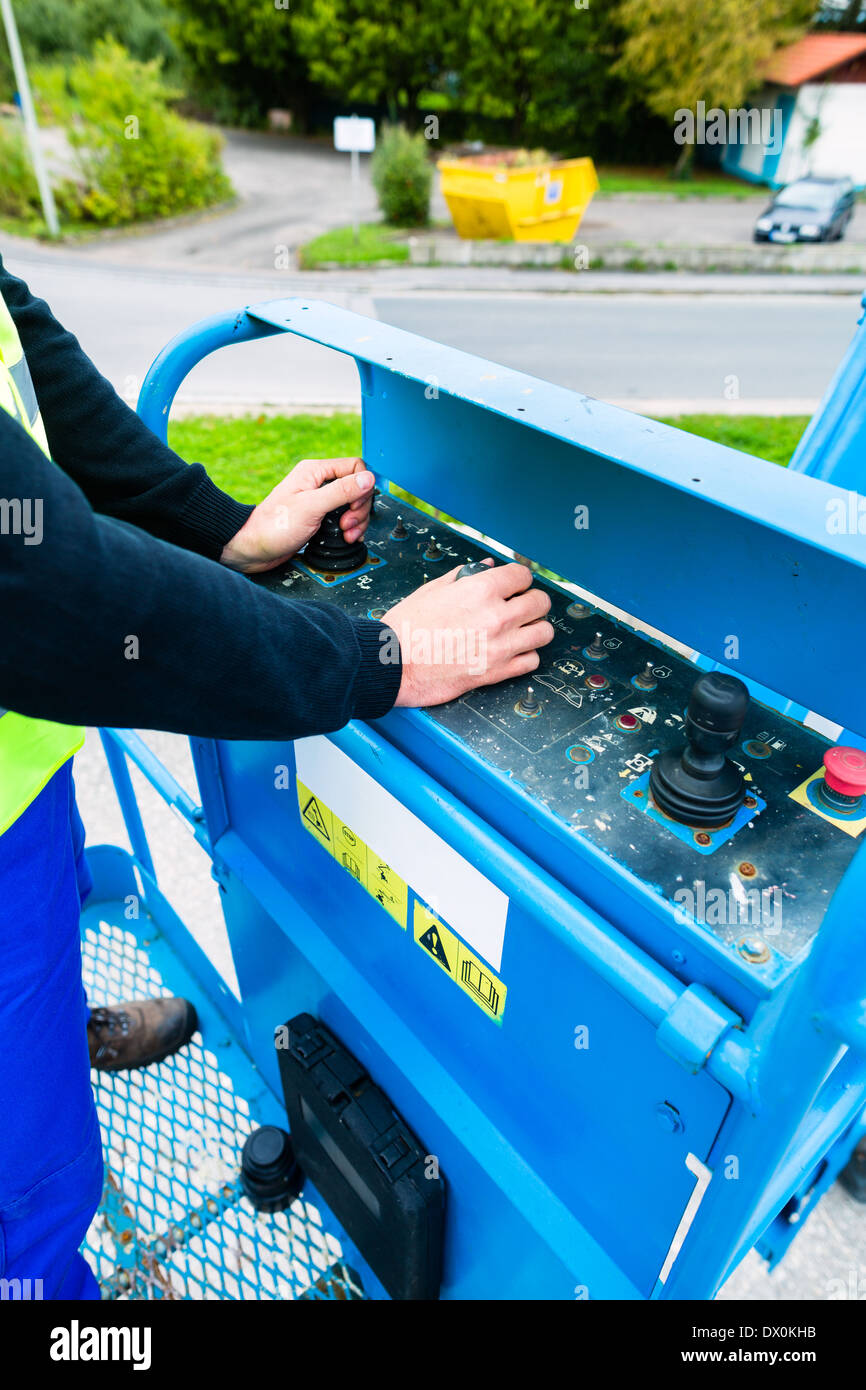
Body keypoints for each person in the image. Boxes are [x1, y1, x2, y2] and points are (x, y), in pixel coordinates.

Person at [0, 252, 553, 1299]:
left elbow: (23, 355)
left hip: (17, 764)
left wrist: (220, 530)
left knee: (40, 961)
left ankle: (51, 1037)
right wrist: (377, 659)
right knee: (24, 1205)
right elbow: (34, 586)